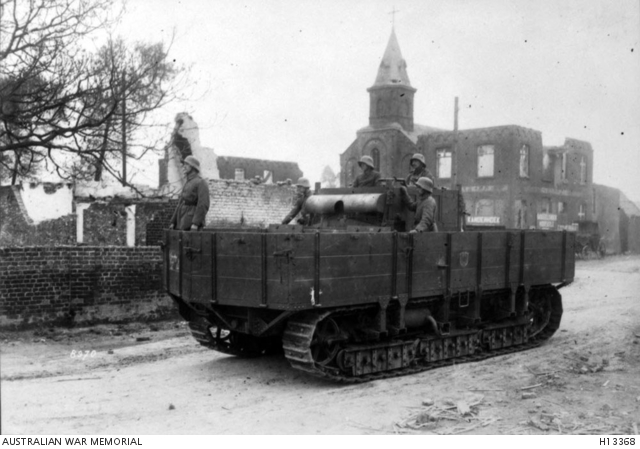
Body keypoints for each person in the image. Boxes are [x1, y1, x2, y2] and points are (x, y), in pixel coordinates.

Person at [170, 155, 210, 231]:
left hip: (191, 223)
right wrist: (173, 221)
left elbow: (203, 204)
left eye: (186, 164)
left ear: (193, 167)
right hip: (181, 221)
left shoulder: (201, 182)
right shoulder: (188, 182)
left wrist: (195, 223)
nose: (184, 166)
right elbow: (180, 203)